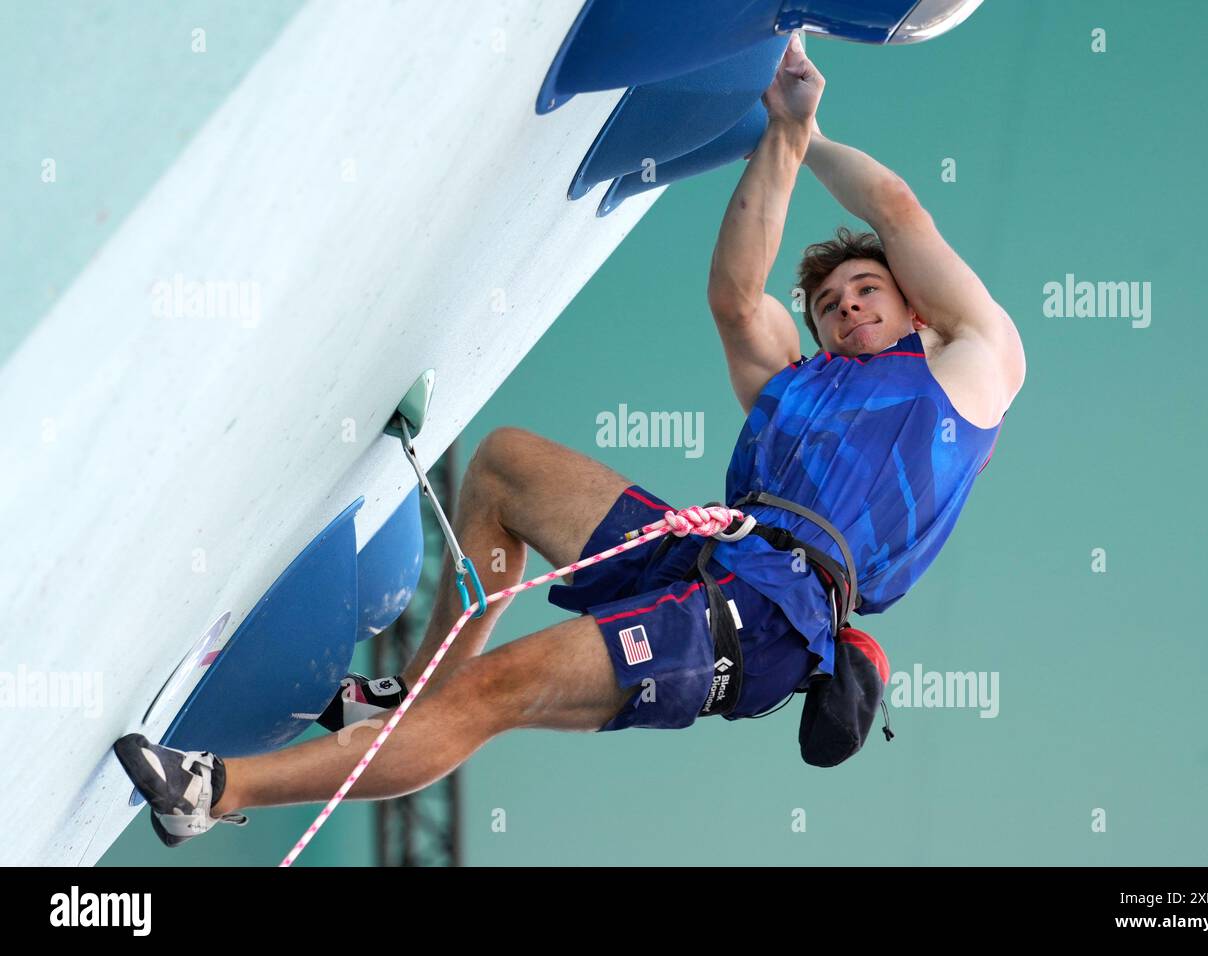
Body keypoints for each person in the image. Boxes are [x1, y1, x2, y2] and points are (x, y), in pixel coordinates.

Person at [114, 33, 1025, 846]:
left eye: (866, 289)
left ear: (913, 305)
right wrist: (780, 135)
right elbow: (737, 300)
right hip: (710, 553)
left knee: (497, 697)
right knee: (505, 466)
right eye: (828, 303)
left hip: (778, 619)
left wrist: (814, 135)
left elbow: (901, 211)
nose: (845, 305)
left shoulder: (967, 372)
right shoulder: (798, 387)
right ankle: (425, 688)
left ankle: (213, 790)